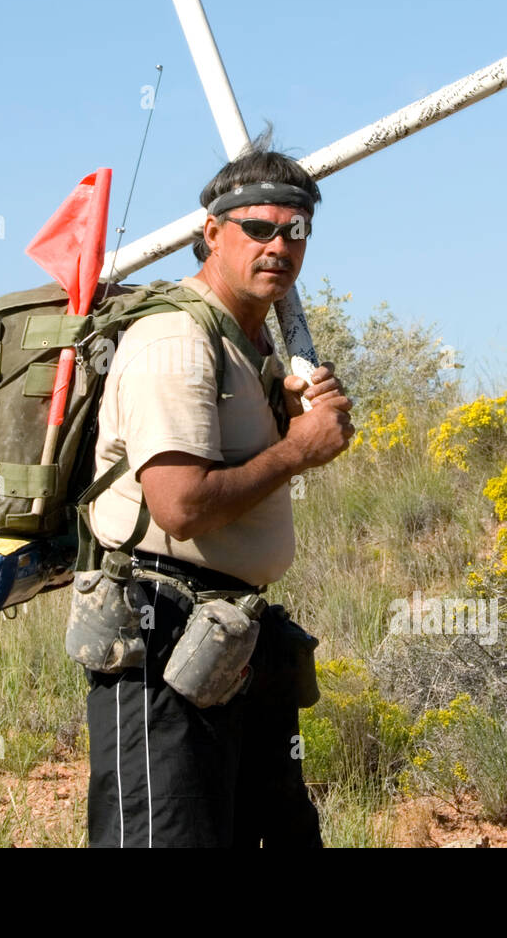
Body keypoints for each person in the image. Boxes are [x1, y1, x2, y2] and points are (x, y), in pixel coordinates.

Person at [79, 133, 355, 847]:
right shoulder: (175, 338)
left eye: (294, 230)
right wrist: (300, 449)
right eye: (256, 228)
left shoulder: (255, 345)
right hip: (161, 641)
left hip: (235, 646)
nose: (278, 245)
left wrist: (295, 417)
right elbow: (181, 503)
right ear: (212, 234)